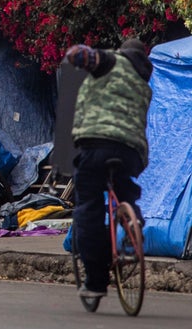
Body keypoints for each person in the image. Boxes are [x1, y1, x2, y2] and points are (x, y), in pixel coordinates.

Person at [63, 38, 153, 301]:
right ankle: (132, 218)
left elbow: (79, 55)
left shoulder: (112, 62)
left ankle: (96, 280)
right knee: (124, 187)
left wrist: (76, 54)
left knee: (87, 206)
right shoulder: (143, 82)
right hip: (132, 152)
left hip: (98, 143)